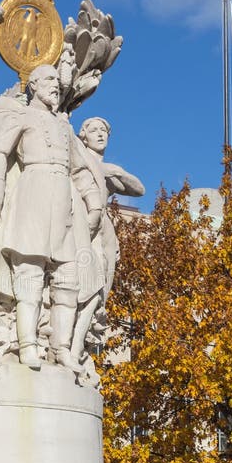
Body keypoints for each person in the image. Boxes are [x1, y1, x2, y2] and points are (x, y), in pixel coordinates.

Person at [0, 65, 102, 371]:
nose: (56, 86)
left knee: (68, 278)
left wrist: (95, 205)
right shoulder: (20, 116)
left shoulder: (63, 127)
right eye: (49, 80)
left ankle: (61, 348)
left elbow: (79, 169)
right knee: (30, 274)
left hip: (64, 199)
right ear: (33, 85)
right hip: (33, 192)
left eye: (56, 81)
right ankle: (28, 346)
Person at [71, 116, 145, 367]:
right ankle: (71, 343)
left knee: (102, 289)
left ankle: (82, 344)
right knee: (86, 286)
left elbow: (139, 190)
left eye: (104, 131)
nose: (100, 134)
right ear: (84, 135)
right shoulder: (79, 158)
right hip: (83, 225)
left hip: (104, 230)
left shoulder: (108, 170)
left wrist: (116, 171)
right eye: (94, 130)